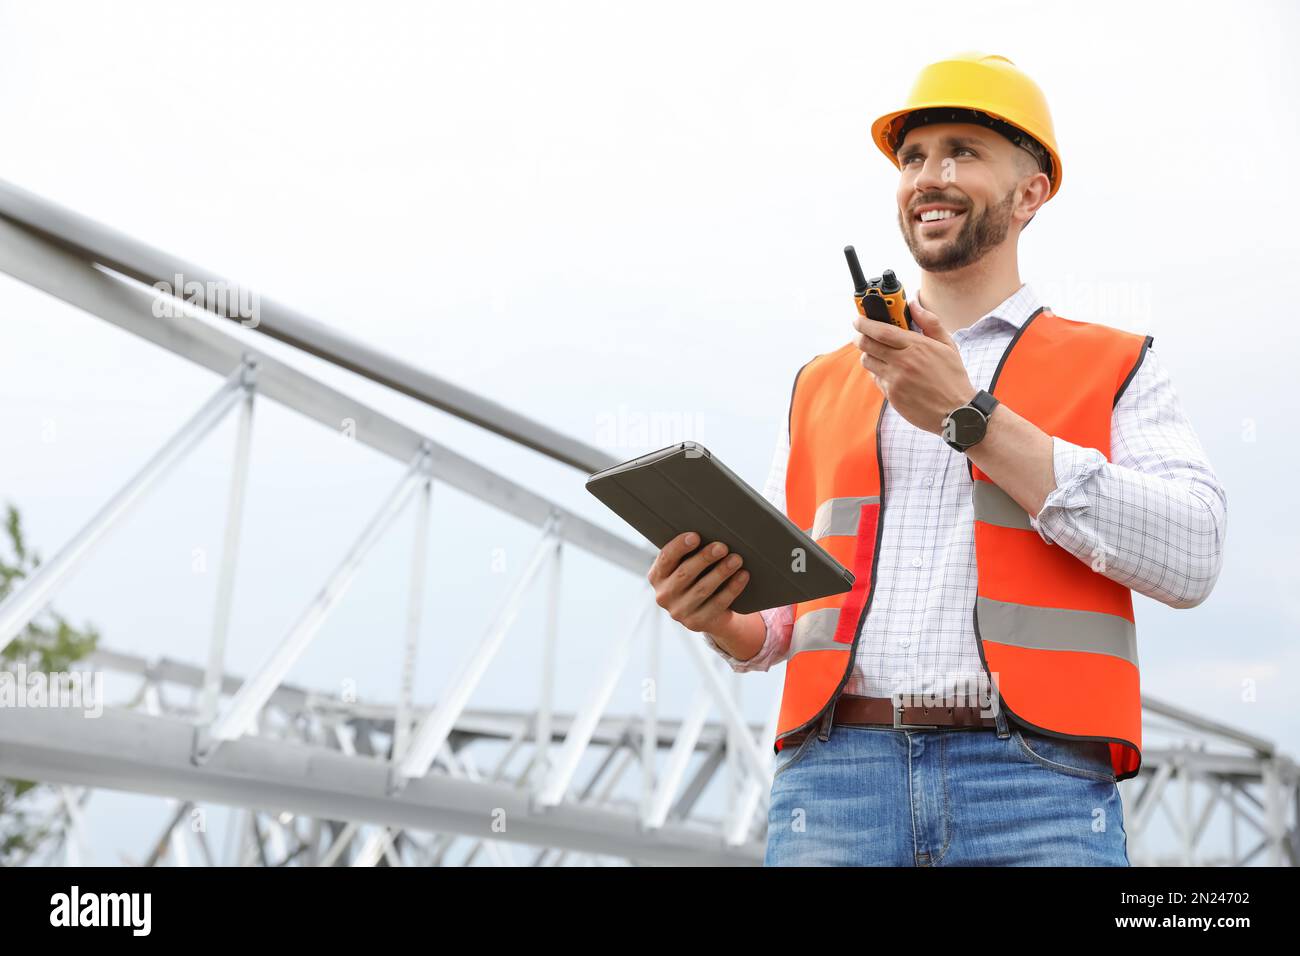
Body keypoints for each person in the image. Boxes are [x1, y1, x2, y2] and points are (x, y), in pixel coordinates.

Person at [646, 52, 1227, 866]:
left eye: (962, 151)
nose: (930, 174)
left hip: (1037, 786)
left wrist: (973, 420)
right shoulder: (821, 384)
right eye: (913, 156)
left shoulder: (1118, 364)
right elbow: (784, 624)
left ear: (1031, 193)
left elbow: (1194, 554)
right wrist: (721, 619)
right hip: (835, 784)